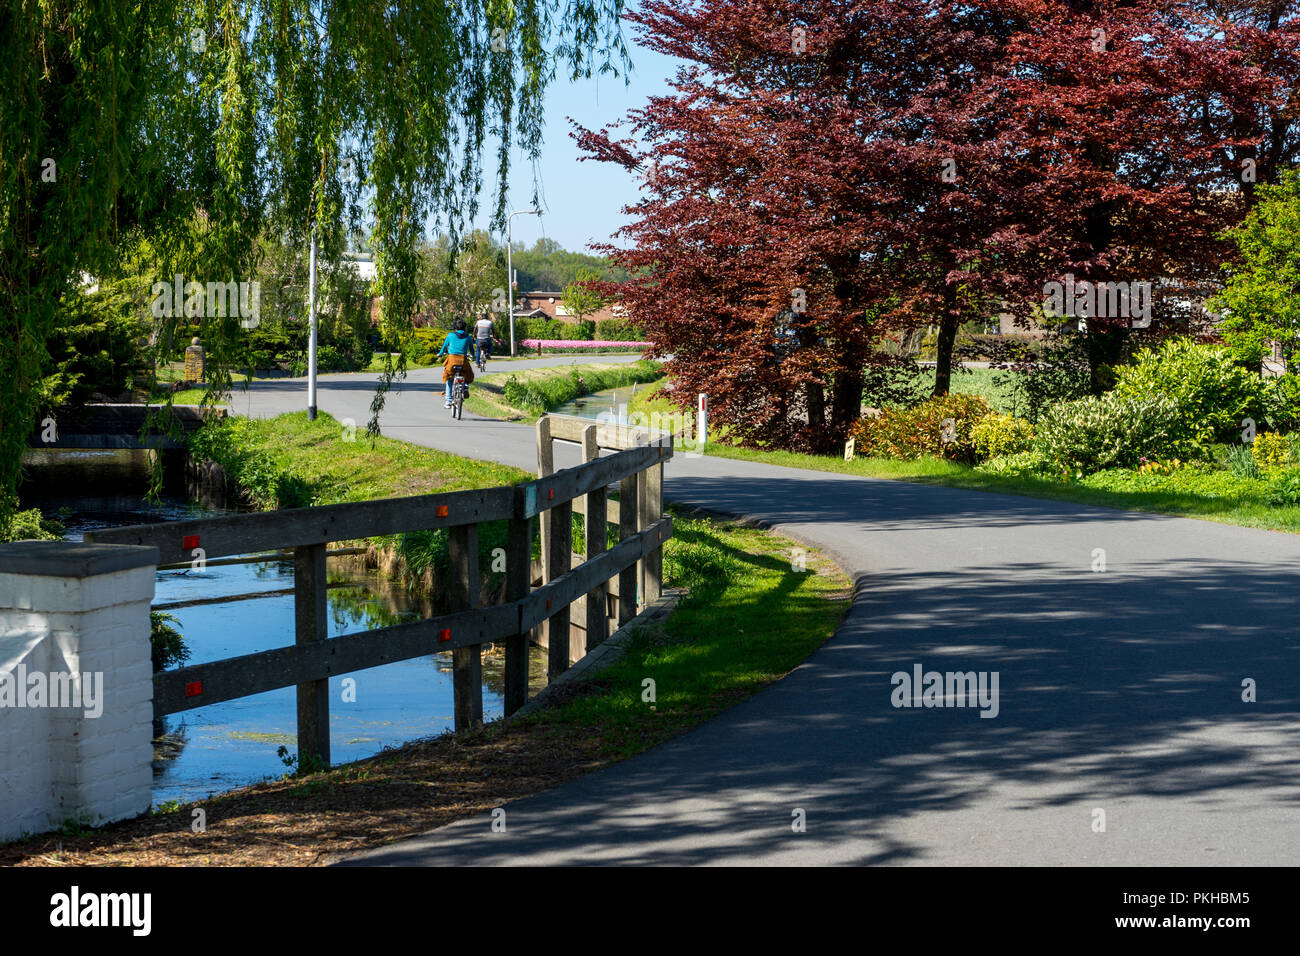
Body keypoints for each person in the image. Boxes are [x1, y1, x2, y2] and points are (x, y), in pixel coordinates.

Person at [436, 318, 480, 407]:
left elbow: (444, 347)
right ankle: (466, 387)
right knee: (468, 374)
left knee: (449, 378)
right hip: (463, 361)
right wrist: (474, 356)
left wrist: (440, 354)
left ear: (455, 327)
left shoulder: (450, 335)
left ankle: (448, 401)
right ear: (465, 328)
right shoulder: (468, 337)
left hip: (452, 361)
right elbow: (471, 349)